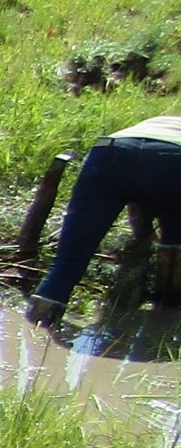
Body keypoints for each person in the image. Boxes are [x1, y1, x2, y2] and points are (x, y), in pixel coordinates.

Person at [25, 117, 181, 328]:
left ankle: (36, 328)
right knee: (175, 243)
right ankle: (164, 322)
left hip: (111, 151)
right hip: (174, 160)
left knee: (67, 263)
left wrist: (142, 234)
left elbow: (138, 181)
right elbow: (154, 184)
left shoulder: (156, 121)